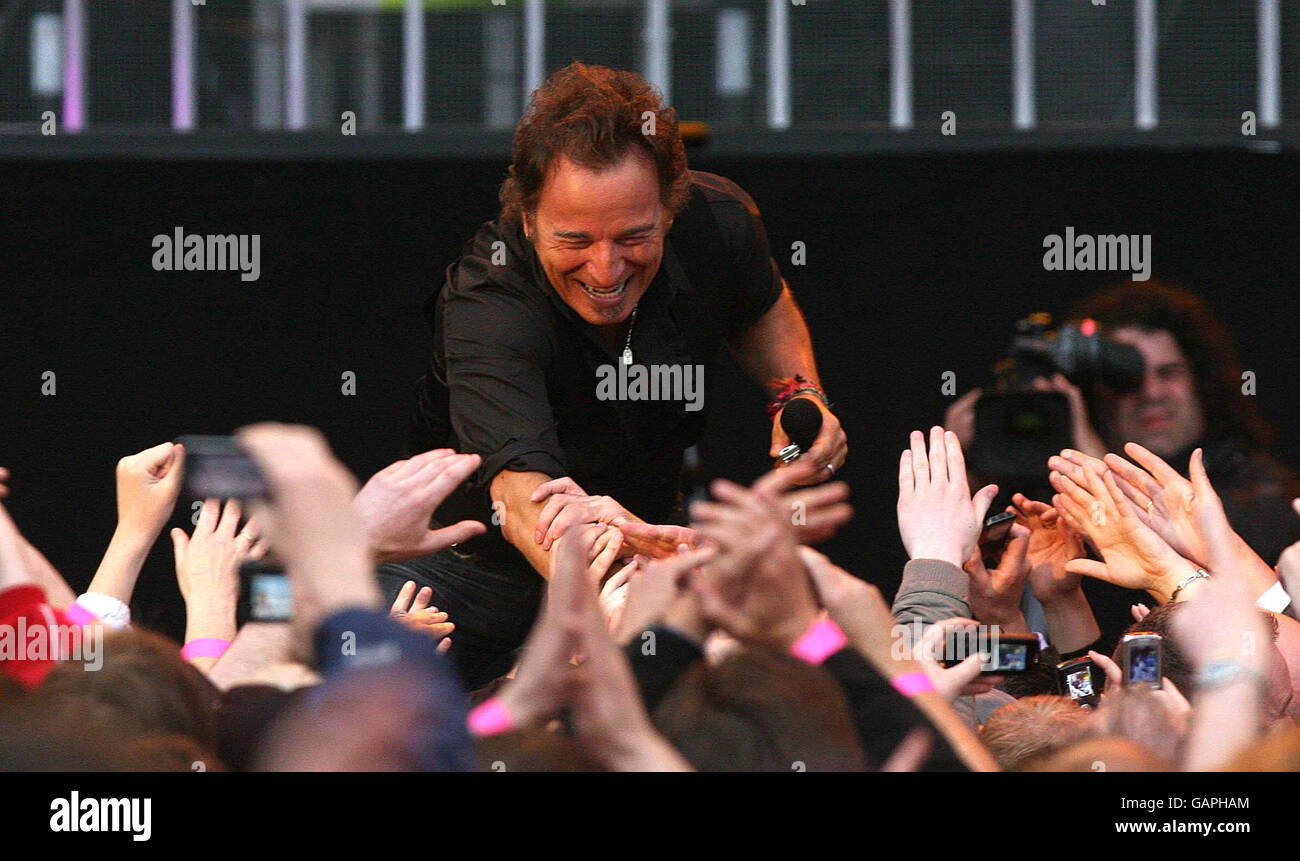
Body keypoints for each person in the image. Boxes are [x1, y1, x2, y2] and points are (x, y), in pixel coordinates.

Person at [386, 62, 847, 687]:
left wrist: (799, 396)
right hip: (470, 567)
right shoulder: (486, 303)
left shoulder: (717, 222)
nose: (605, 271)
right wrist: (620, 599)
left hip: (641, 533)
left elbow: (761, 305)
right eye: (574, 241)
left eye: (634, 236)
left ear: (670, 209)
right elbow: (525, 502)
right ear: (527, 219)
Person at [948, 280, 1298, 568]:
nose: (1151, 392)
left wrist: (1098, 467)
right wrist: (966, 469)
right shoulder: (1052, 491)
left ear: (1202, 382)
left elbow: (1216, 568)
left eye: (1168, 373)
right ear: (1093, 397)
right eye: (1126, 380)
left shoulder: (1260, 488)